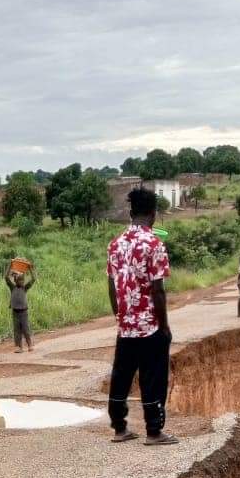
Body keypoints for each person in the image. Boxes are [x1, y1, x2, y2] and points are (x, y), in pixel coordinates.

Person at [106, 187, 177, 447]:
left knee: (121, 376)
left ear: (131, 211)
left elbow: (112, 288)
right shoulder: (154, 244)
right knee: (153, 377)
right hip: (149, 325)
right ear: (153, 214)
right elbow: (158, 290)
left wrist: (121, 318)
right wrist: (165, 326)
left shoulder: (115, 244)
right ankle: (154, 431)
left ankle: (120, 428)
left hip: (126, 326)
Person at [5, 264, 35, 353]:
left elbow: (33, 279)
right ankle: (19, 347)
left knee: (26, 329)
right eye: (19, 280)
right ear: (15, 280)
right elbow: (6, 277)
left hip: (23, 312)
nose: (21, 282)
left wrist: (30, 269)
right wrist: (9, 266)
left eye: (22, 280)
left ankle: (30, 345)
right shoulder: (12, 287)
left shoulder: (25, 288)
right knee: (17, 330)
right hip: (15, 312)